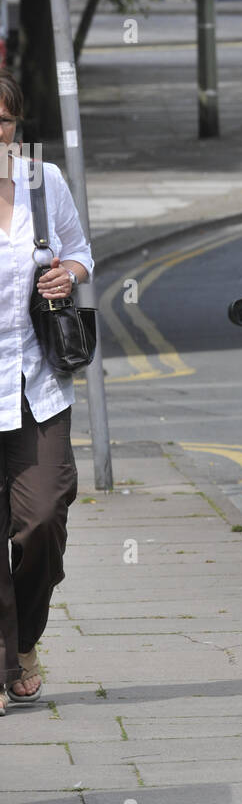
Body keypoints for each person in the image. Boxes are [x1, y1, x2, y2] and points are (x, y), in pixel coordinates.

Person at [0, 69, 93, 714]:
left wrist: (66, 275)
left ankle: (24, 637)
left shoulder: (43, 182)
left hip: (36, 386)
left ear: (16, 126)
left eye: (2, 120)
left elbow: (83, 252)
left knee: (41, 520)